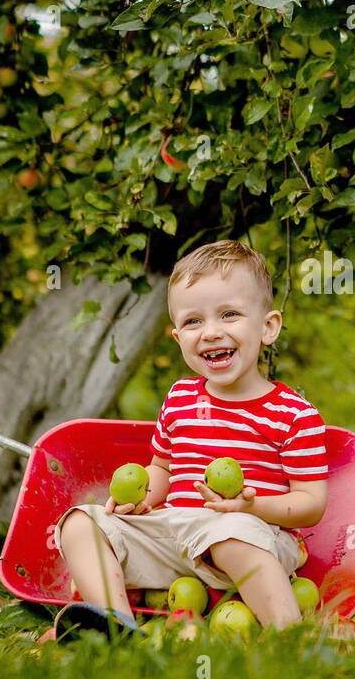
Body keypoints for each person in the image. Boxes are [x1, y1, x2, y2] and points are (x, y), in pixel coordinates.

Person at [53, 240, 328, 639]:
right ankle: (114, 623)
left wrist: (252, 506)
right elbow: (163, 468)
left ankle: (289, 634)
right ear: (178, 336)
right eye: (193, 322)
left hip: (254, 537)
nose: (211, 332)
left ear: (268, 327)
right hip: (176, 533)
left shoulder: (293, 414)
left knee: (229, 532)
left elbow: (311, 504)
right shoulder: (180, 399)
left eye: (229, 315)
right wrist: (144, 498)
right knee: (81, 523)